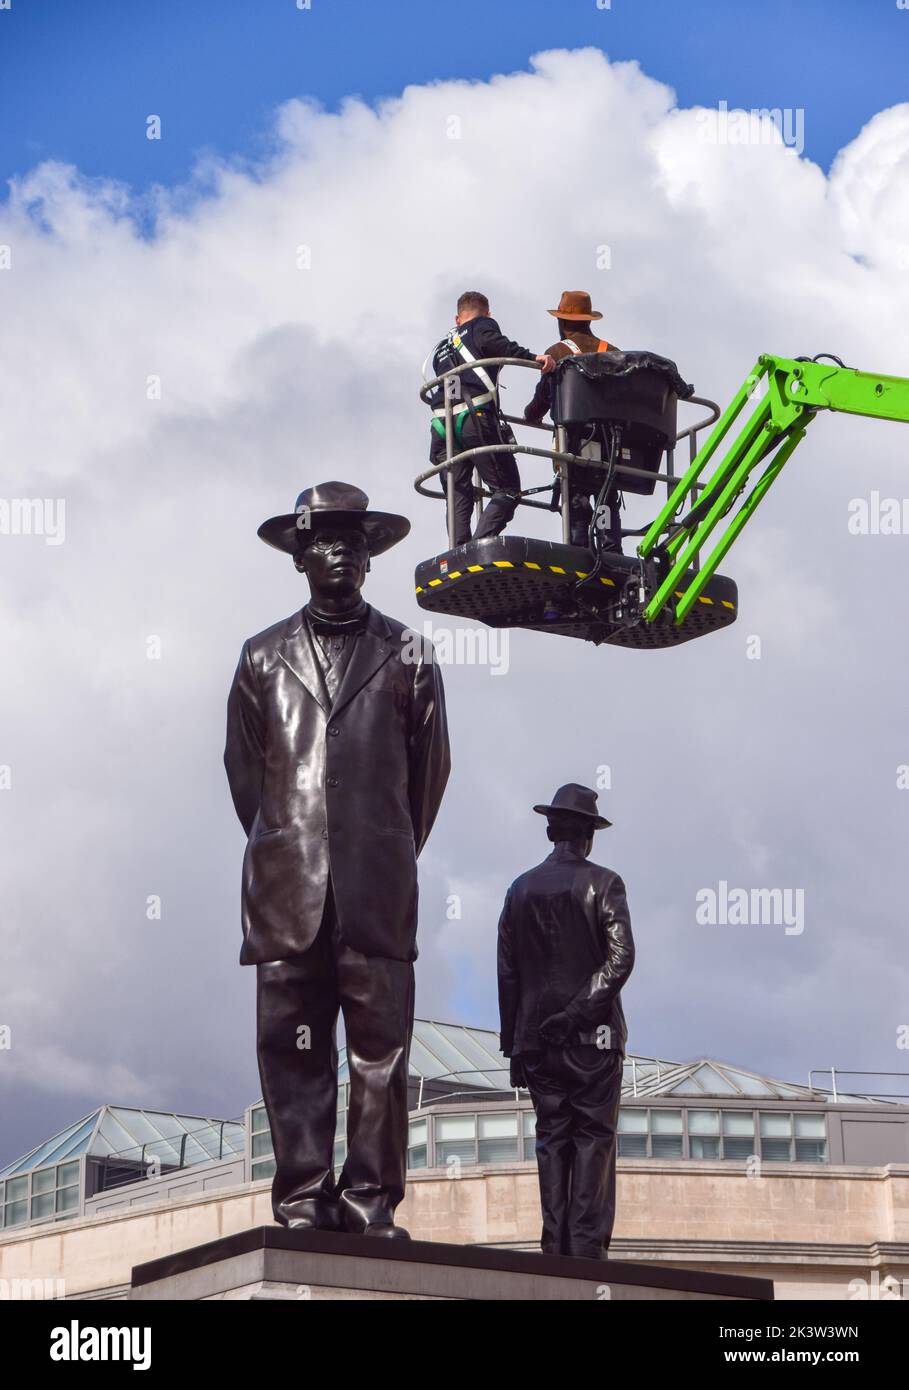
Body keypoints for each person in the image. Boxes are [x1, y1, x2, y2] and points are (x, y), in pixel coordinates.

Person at [225, 481, 450, 1240]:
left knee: (380, 1058)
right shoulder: (261, 655)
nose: (339, 554)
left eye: (353, 544)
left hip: (377, 890)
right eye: (323, 542)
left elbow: (430, 772)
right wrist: (289, 843)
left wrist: (379, 844)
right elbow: (245, 773)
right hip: (288, 892)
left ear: (367, 558)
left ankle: (370, 1203)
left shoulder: (409, 653)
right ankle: (301, 1200)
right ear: (299, 558)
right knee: (292, 1053)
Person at [497, 783, 635, 1260]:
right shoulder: (606, 883)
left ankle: (554, 1246)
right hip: (592, 1040)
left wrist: (514, 1043)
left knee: (552, 1138)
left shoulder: (519, 890)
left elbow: (508, 972)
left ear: (552, 830)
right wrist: (578, 1012)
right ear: (588, 836)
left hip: (536, 1041)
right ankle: (585, 1246)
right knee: (594, 1135)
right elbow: (621, 960)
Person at [424, 290, 555, 546]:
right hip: (475, 418)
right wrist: (533, 358)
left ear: (457, 318)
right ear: (488, 313)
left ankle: (458, 553)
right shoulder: (482, 326)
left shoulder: (441, 347)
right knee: (507, 490)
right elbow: (497, 345)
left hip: (441, 425)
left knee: (458, 493)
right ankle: (476, 547)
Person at [524, 290, 624, 551]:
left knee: (576, 494)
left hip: (575, 439)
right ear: (589, 321)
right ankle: (610, 548)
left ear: (562, 322)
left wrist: (531, 414)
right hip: (609, 441)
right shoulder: (613, 352)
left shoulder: (557, 352)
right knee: (607, 494)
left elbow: (543, 397)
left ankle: (579, 549)